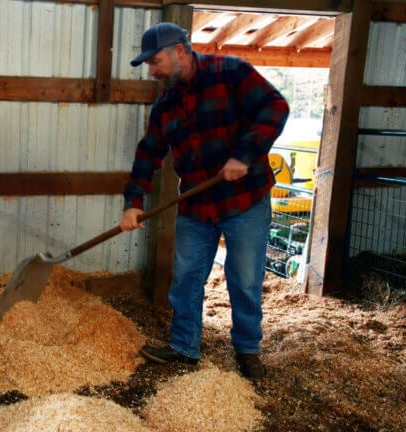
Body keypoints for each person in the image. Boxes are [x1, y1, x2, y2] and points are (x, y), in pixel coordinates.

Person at [120, 22, 289, 379]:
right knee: (185, 277)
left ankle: (247, 349)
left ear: (180, 51)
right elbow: (149, 152)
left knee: (243, 278)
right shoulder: (166, 103)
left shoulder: (231, 72)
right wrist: (133, 201)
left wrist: (244, 156)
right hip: (197, 204)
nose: (152, 71)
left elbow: (276, 107)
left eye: (155, 61)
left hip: (244, 198)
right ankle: (185, 346)